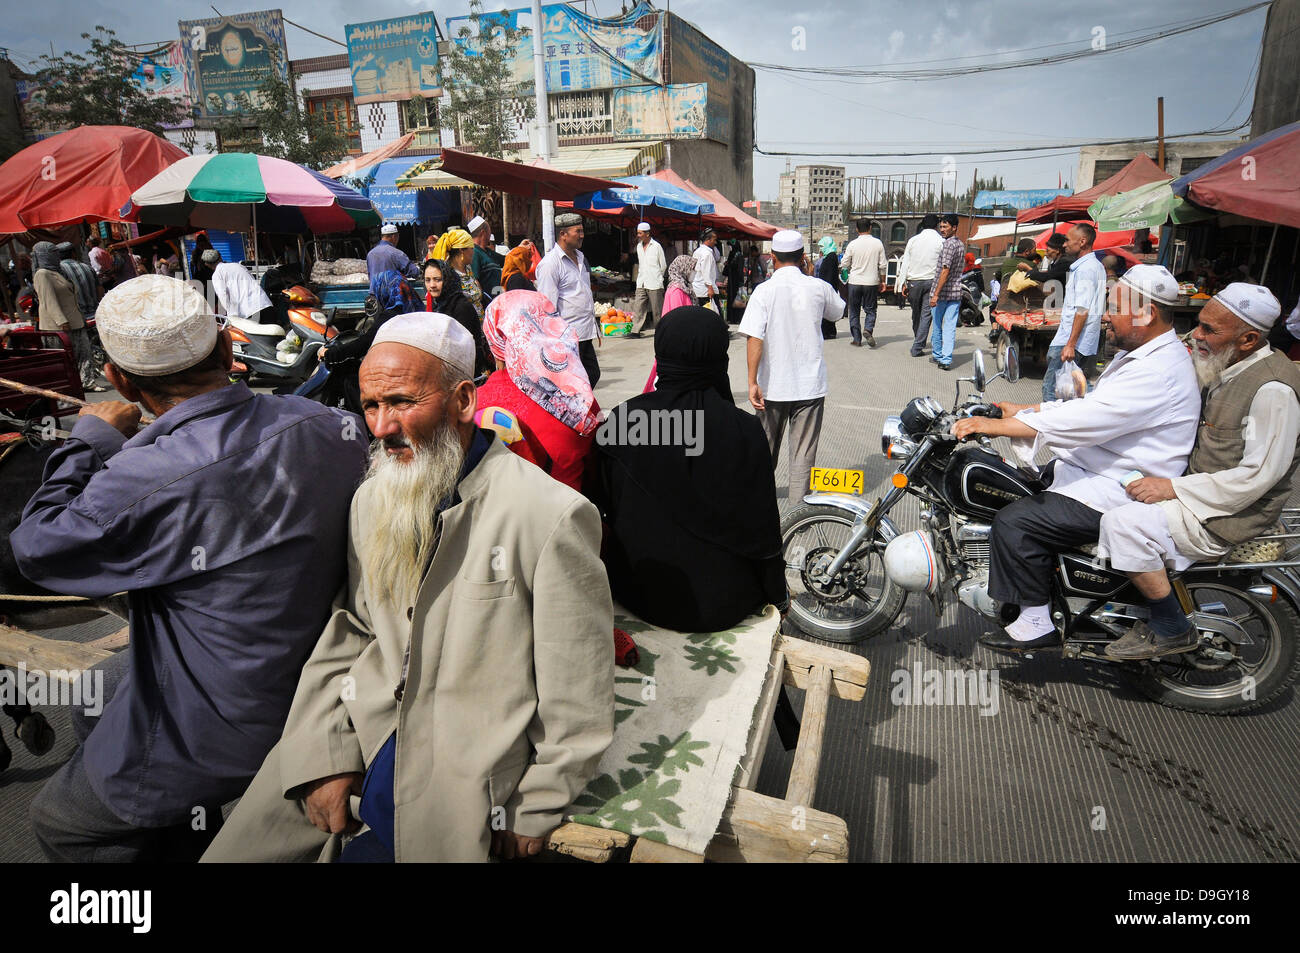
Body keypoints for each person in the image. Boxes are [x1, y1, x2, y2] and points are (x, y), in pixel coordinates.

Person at [201, 312, 613, 863]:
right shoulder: (374, 499)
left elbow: (578, 690)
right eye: (371, 405)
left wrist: (538, 803)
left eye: (400, 402)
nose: (380, 427)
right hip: (364, 728)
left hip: (464, 768)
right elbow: (354, 628)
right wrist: (324, 748)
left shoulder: (549, 515)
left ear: (463, 400)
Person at [12, 274, 368, 862]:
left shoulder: (144, 473)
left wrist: (87, 441)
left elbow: (37, 547)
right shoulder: (324, 422)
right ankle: (176, 833)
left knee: (59, 822)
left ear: (121, 380)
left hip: (232, 711)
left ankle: (156, 818)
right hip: (319, 663)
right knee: (96, 691)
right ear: (229, 351)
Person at [953, 265, 1200, 651]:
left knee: (1016, 522)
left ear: (1146, 313)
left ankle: (1035, 622)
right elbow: (1096, 405)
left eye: (1114, 307)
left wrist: (997, 426)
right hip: (1101, 465)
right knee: (1019, 488)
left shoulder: (1156, 370)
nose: (1105, 316)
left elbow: (1086, 419)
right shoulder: (1142, 355)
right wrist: (1023, 410)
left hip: (1121, 484)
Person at [1097, 284, 1300, 659]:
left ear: (1249, 339)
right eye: (1199, 325)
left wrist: (1173, 488)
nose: (1196, 336)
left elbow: (1259, 475)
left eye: (1209, 330)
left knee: (1122, 525)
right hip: (1203, 494)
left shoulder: (1272, 388)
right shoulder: (1228, 366)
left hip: (1230, 513)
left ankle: (1171, 627)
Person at [591, 306, 789, 631]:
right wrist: (778, 597)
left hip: (641, 595)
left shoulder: (625, 422)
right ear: (718, 358)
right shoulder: (745, 432)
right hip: (725, 603)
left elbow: (601, 509)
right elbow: (764, 531)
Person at [740, 230, 845, 501]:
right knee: (803, 454)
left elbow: (755, 339)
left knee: (764, 448)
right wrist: (811, 275)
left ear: (772, 257)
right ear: (803, 258)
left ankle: (759, 502)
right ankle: (799, 514)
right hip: (809, 386)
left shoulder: (764, 291)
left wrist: (752, 382)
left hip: (773, 385)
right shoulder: (817, 287)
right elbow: (837, 311)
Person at [478, 289, 602, 492]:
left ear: (494, 339)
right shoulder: (579, 400)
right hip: (572, 515)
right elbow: (596, 468)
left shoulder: (473, 404)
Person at [319, 269, 421, 414]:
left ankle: (365, 422)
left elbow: (363, 344)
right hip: (410, 370)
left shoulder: (390, 315)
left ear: (383, 291)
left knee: (351, 380)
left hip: (396, 376)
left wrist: (330, 354)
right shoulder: (415, 312)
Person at [1041, 223, 1106, 401]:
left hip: (1071, 342)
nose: (1064, 244)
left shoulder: (1086, 269)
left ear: (1082, 241)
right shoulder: (1094, 266)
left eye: (1068, 240)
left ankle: (1052, 428)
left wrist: (1070, 344)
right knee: (1072, 393)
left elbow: (1082, 310)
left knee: (1052, 392)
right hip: (1079, 341)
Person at [536, 212, 601, 387]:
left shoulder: (581, 257)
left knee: (591, 374)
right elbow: (547, 306)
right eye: (577, 231)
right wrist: (553, 341)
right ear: (563, 234)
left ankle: (581, 411)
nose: (582, 235)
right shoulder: (550, 264)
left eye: (582, 231)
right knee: (575, 382)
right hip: (566, 337)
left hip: (585, 332)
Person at [31, 242, 100, 391]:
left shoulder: (58, 272)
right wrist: (62, 321)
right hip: (59, 325)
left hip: (76, 320)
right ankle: (67, 385)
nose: (56, 255)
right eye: (52, 253)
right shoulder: (42, 274)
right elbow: (49, 300)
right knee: (65, 358)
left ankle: (87, 382)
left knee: (84, 352)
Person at [423, 257, 493, 375]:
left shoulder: (460, 307)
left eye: (437, 279)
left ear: (447, 280)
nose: (432, 285)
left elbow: (465, 348)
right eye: (427, 280)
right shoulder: (439, 304)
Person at [55, 242, 105, 390]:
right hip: (94, 313)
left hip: (77, 317)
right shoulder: (87, 267)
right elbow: (99, 290)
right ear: (74, 254)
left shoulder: (59, 271)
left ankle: (84, 378)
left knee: (81, 350)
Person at [896, 214, 944, 357]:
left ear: (922, 225)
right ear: (937, 226)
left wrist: (901, 284)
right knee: (926, 315)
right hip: (932, 282)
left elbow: (905, 263)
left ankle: (918, 342)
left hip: (913, 283)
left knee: (916, 314)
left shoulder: (913, 240)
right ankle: (918, 343)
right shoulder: (941, 241)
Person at [841, 218, 887, 348]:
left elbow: (844, 264)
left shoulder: (852, 244)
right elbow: (883, 265)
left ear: (856, 229)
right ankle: (868, 329)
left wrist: (848, 272)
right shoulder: (877, 243)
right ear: (870, 228)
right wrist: (882, 281)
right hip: (871, 282)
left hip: (854, 281)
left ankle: (857, 339)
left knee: (854, 310)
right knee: (870, 309)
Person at [928, 213, 965, 371]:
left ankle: (938, 355)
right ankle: (946, 358)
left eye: (945, 227)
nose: (942, 229)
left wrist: (936, 293)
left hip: (943, 293)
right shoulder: (960, 245)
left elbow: (945, 270)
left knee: (937, 325)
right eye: (941, 226)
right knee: (950, 326)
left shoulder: (949, 245)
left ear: (954, 228)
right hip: (955, 292)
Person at [431, 227, 485, 319]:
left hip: (479, 328)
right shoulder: (447, 275)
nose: (473, 252)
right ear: (461, 251)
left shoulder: (468, 269)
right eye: (471, 248)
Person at [632, 222, 666, 337]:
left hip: (654, 282)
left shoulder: (656, 246)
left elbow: (663, 265)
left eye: (640, 233)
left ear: (647, 233)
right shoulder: (638, 246)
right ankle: (635, 330)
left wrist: (657, 277)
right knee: (638, 307)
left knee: (657, 310)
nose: (638, 235)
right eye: (638, 233)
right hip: (641, 281)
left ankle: (660, 330)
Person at [466, 215, 504, 298]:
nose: (490, 234)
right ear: (483, 232)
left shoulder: (488, 252)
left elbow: (507, 259)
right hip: (487, 304)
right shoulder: (474, 252)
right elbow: (474, 280)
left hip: (497, 300)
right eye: (489, 230)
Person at [815, 236, 842, 340]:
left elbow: (830, 274)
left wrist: (827, 288)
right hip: (827, 286)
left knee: (827, 310)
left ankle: (828, 332)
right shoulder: (829, 256)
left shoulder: (831, 257)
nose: (821, 248)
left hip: (828, 287)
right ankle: (828, 331)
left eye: (822, 246)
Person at [691, 228, 720, 311]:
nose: (715, 242)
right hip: (705, 290)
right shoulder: (706, 254)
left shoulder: (698, 251)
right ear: (708, 239)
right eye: (714, 240)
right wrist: (710, 287)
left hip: (698, 288)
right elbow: (706, 272)